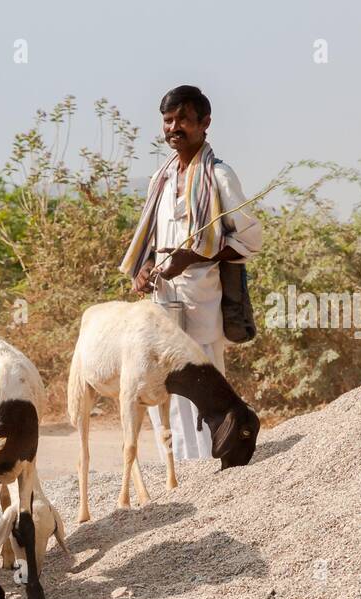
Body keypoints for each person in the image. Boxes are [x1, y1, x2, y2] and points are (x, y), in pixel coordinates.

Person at [120, 84, 262, 461]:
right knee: (165, 386)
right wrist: (145, 269)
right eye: (168, 120)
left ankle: (214, 462)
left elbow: (249, 238)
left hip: (201, 303)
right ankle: (179, 467)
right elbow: (150, 240)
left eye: (183, 118)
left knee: (205, 385)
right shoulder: (161, 179)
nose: (174, 127)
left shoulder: (219, 175)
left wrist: (198, 257)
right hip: (163, 304)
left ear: (205, 123)